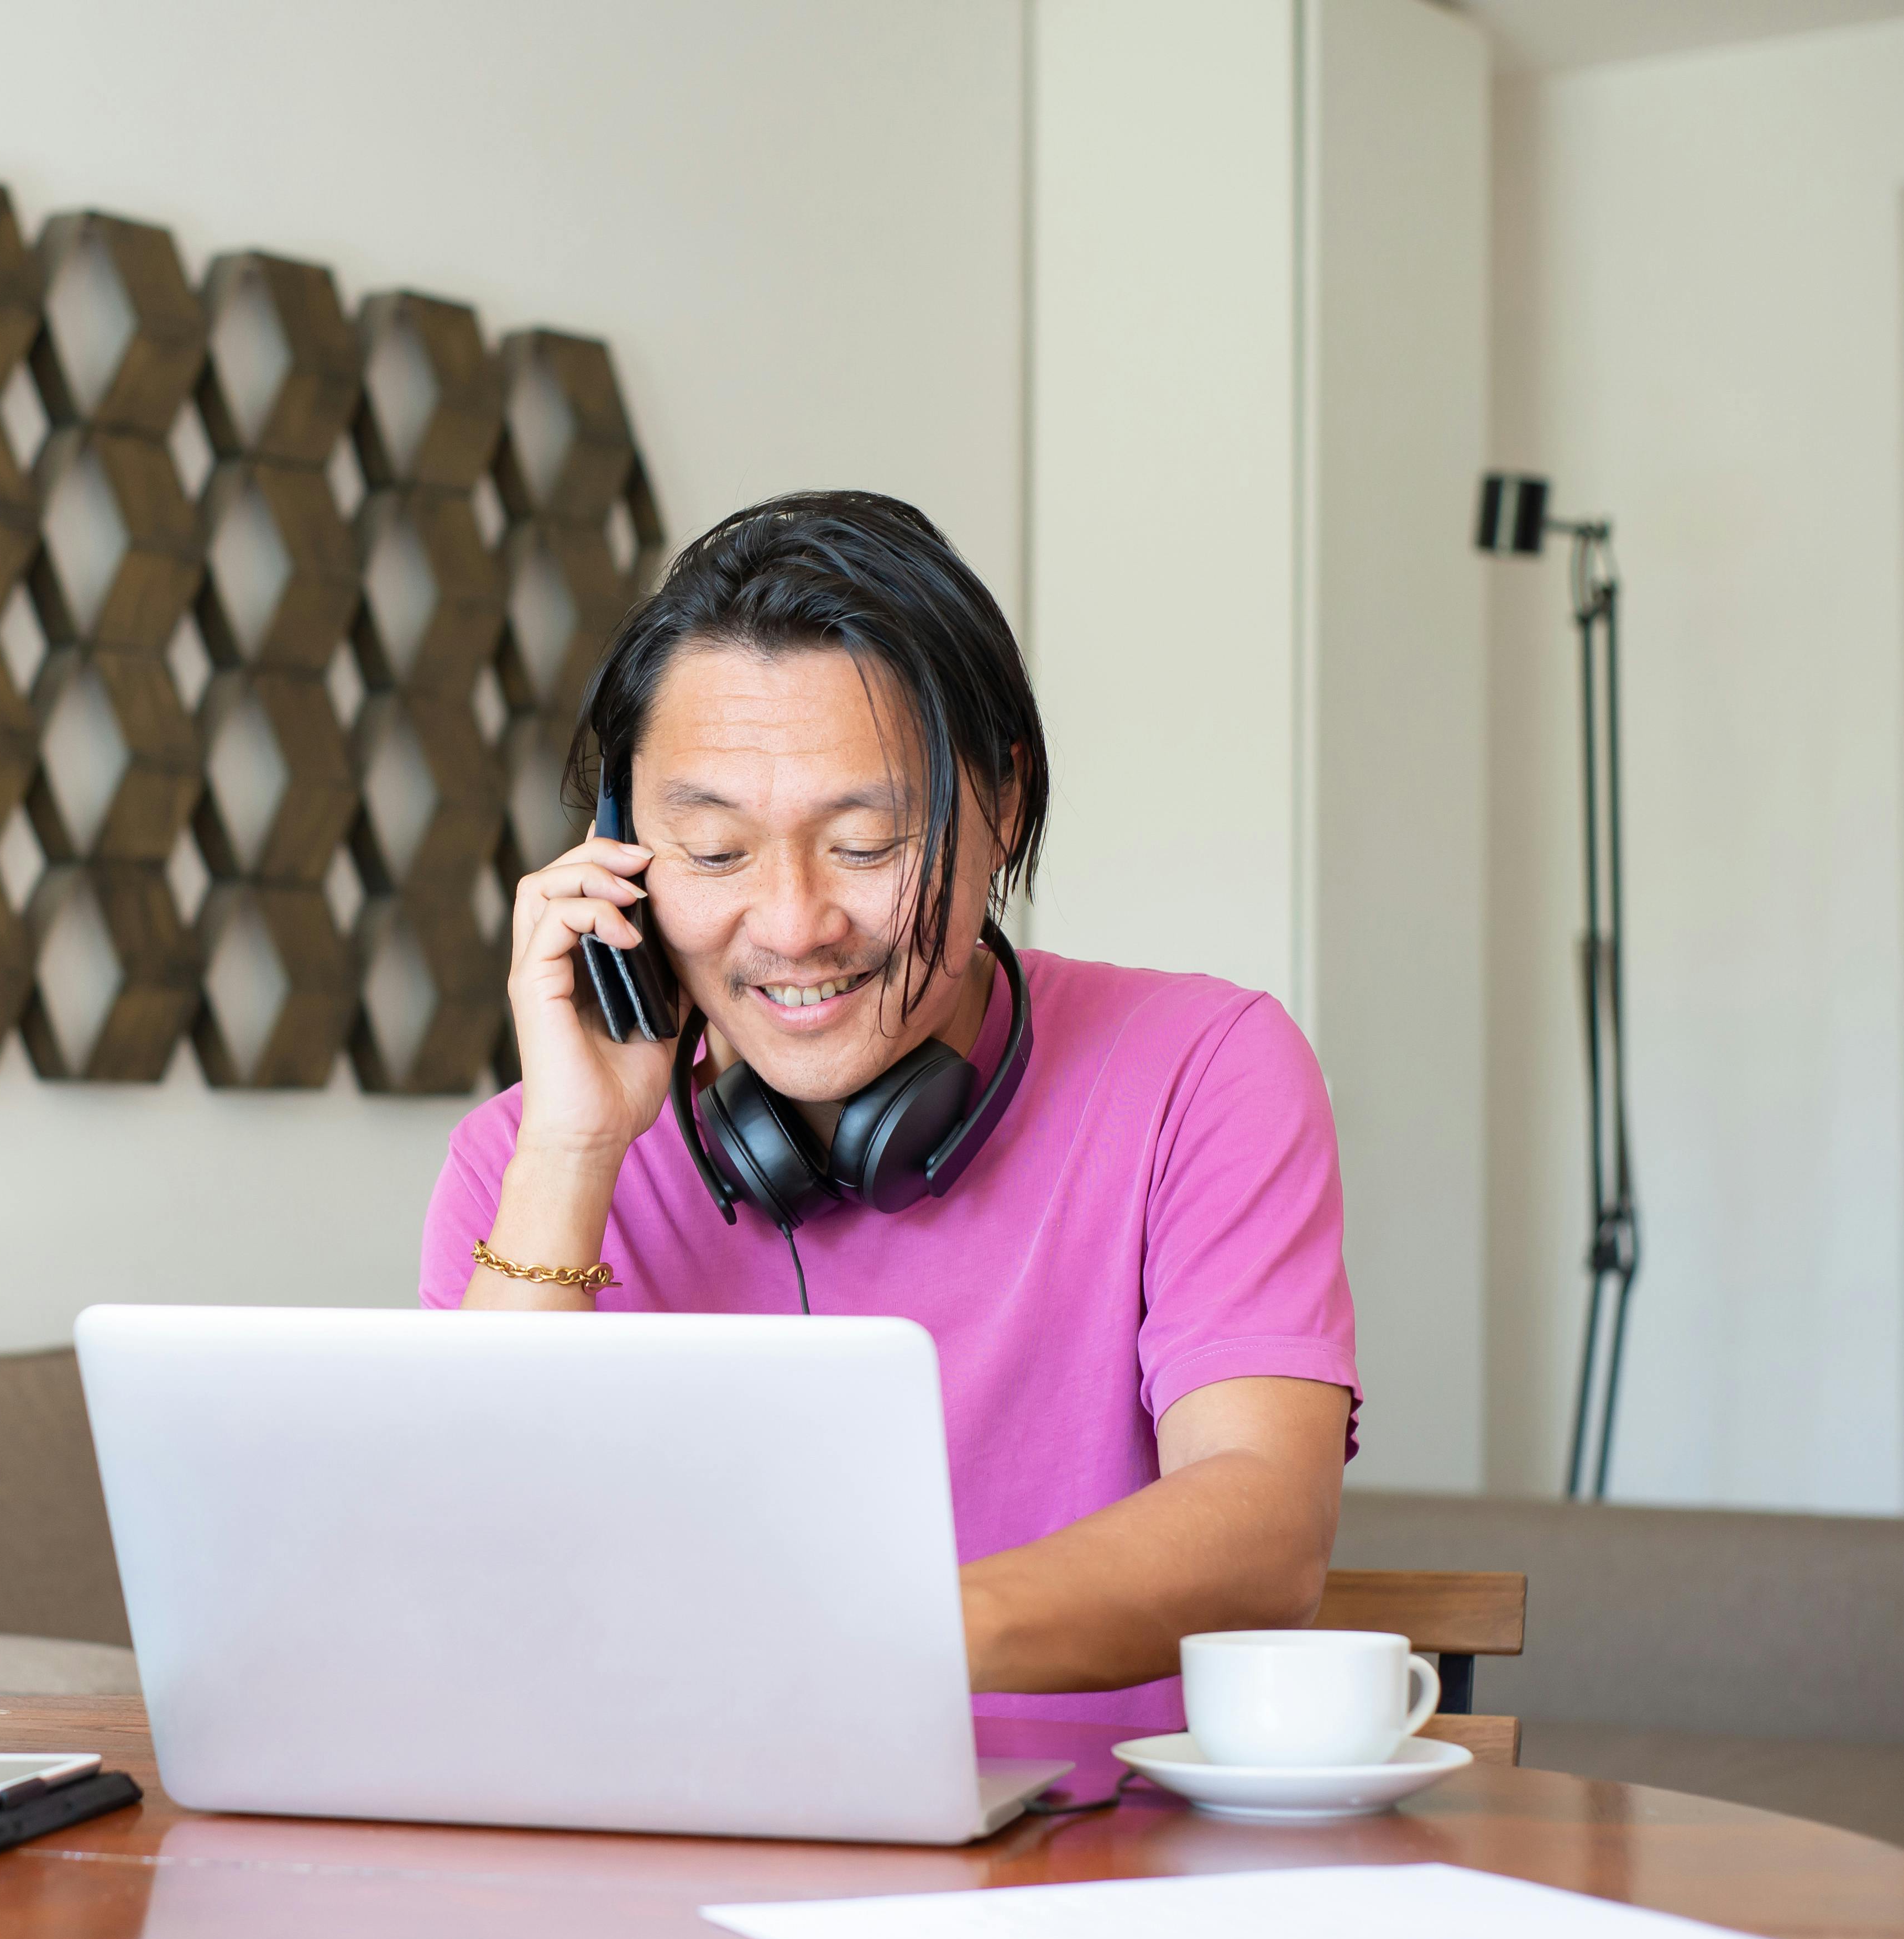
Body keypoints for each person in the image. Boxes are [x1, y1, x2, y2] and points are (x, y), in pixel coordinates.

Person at [417, 491, 1355, 1738]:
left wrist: (884, 1634)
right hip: (661, 1877)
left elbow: (1262, 1520)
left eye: (864, 844)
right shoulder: (527, 1157)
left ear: (1001, 807)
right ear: (618, 855)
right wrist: (574, 1151)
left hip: (1094, 1880)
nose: (793, 922)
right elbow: (459, 1593)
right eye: (710, 853)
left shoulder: (1202, 1071)